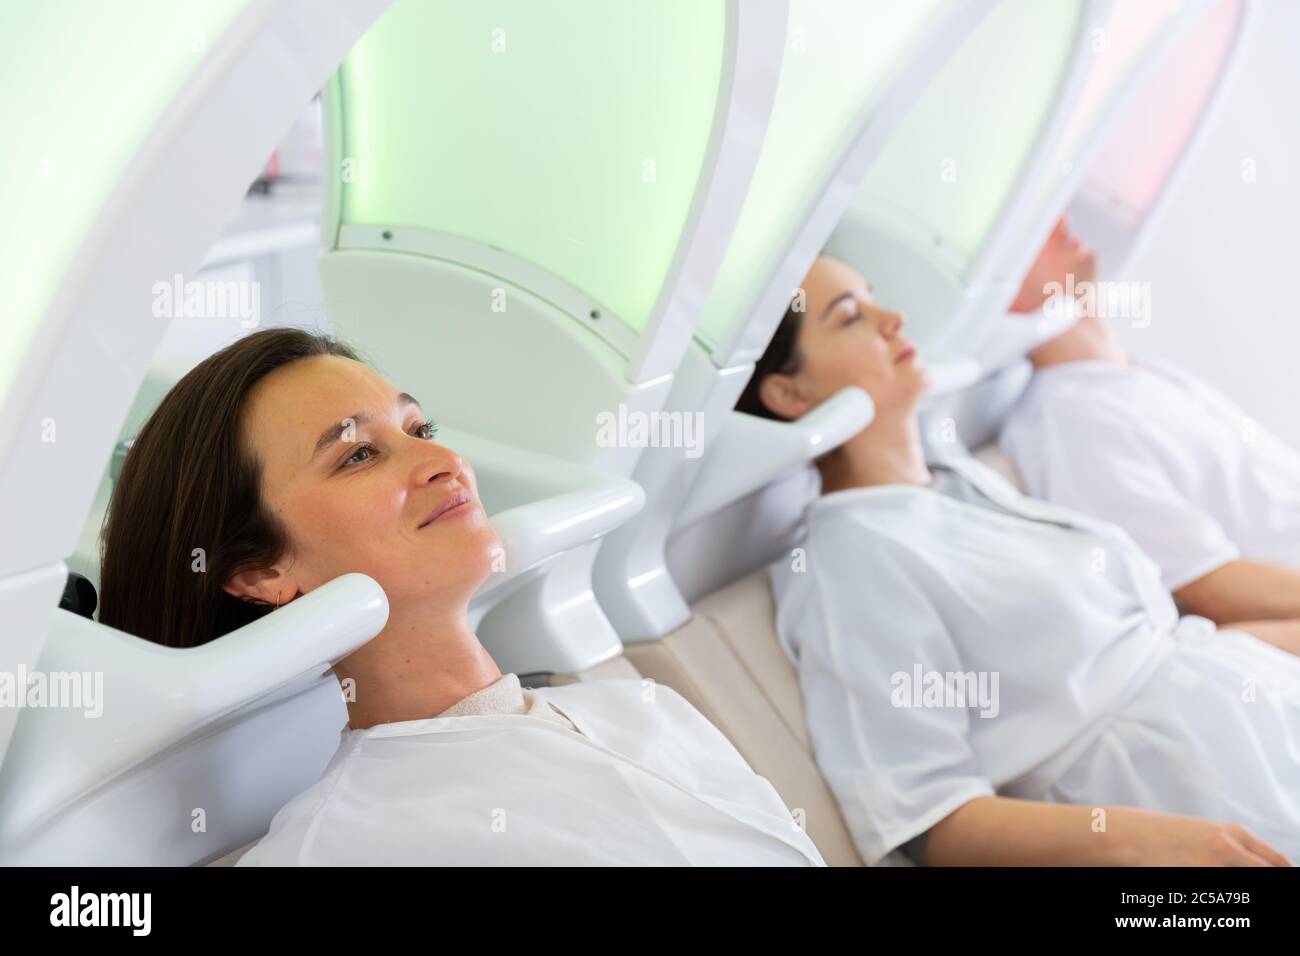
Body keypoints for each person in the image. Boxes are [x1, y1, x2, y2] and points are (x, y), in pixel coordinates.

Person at [98, 328, 824, 867]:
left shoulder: (644, 710)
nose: (443, 461)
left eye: (421, 428)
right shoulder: (340, 848)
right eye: (358, 455)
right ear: (259, 572)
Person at [735, 253, 1300, 866]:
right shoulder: (850, 563)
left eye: (873, 298)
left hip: (1261, 721)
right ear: (789, 392)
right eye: (850, 317)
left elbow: (1153, 651)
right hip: (1207, 802)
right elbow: (927, 815)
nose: (893, 318)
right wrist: (1151, 842)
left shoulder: (955, 484)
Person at [1000, 217, 1300, 630]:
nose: (1060, 221)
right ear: (1006, 290)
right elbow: (1208, 584)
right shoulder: (1074, 425)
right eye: (1035, 225)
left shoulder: (1136, 377)